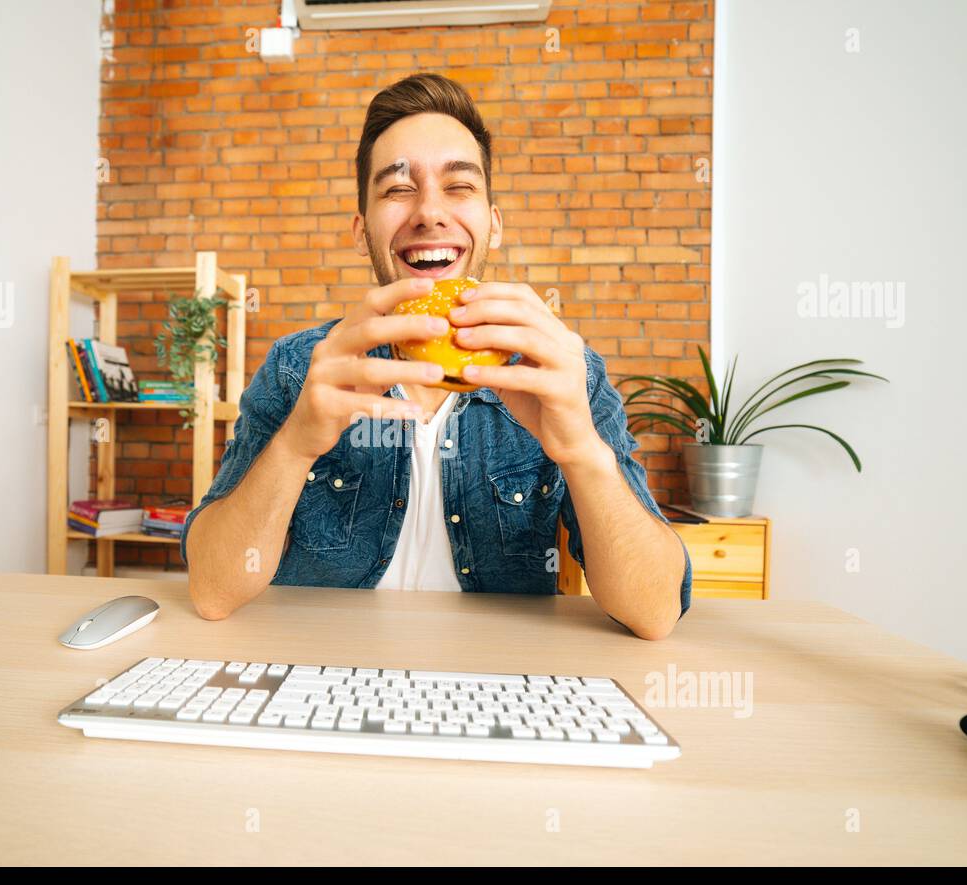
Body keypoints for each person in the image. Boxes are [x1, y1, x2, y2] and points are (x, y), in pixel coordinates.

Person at [182, 72, 692, 639]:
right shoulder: (299, 368)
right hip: (319, 680)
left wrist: (581, 452)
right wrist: (297, 442)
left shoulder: (563, 374)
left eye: (459, 186)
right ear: (361, 231)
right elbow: (212, 591)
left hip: (498, 689)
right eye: (398, 189)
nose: (429, 212)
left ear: (492, 226)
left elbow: (654, 613)